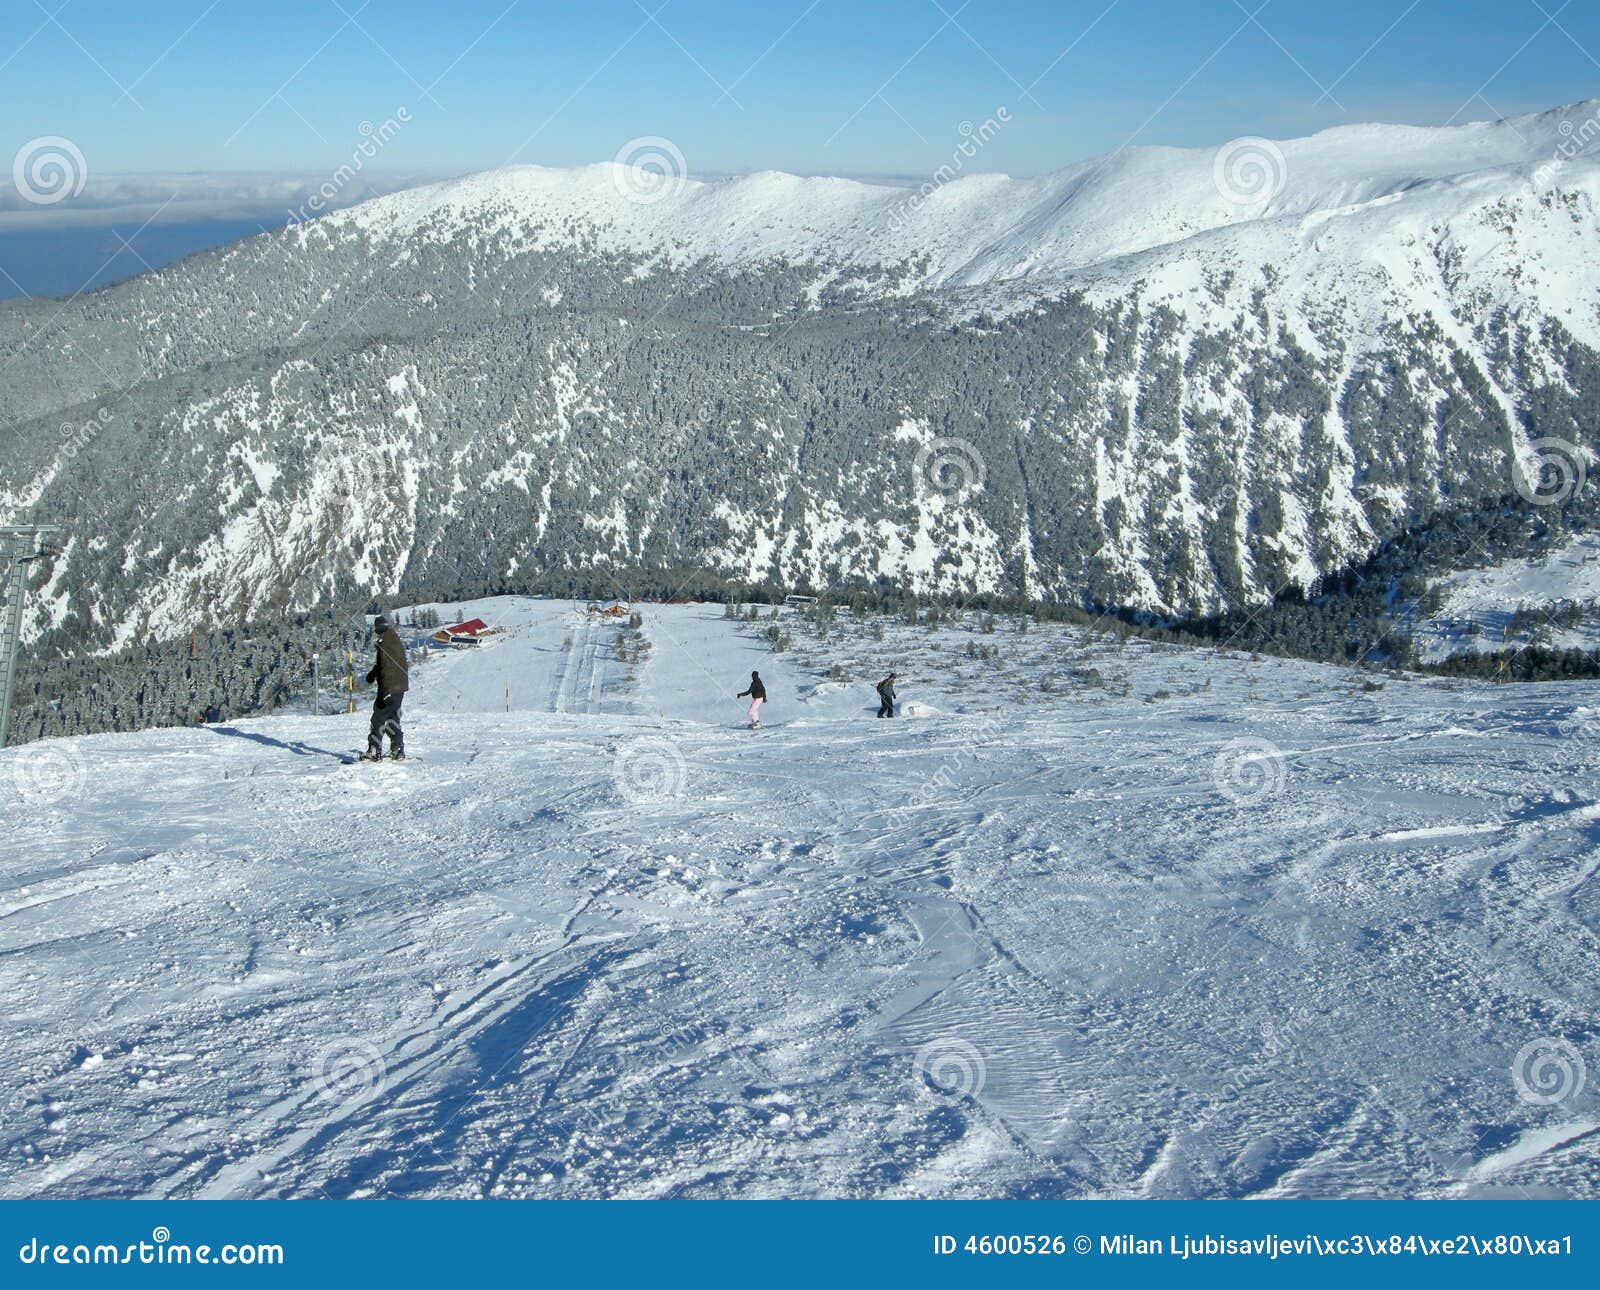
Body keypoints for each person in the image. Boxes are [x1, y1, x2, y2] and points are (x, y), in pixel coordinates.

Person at [362, 614, 409, 760]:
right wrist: (374, 672)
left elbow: (388, 668)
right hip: (398, 687)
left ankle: (374, 750)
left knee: (378, 719)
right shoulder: (392, 639)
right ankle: (397, 749)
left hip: (390, 687)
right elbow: (386, 664)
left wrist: (385, 691)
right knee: (392, 718)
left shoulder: (386, 643)